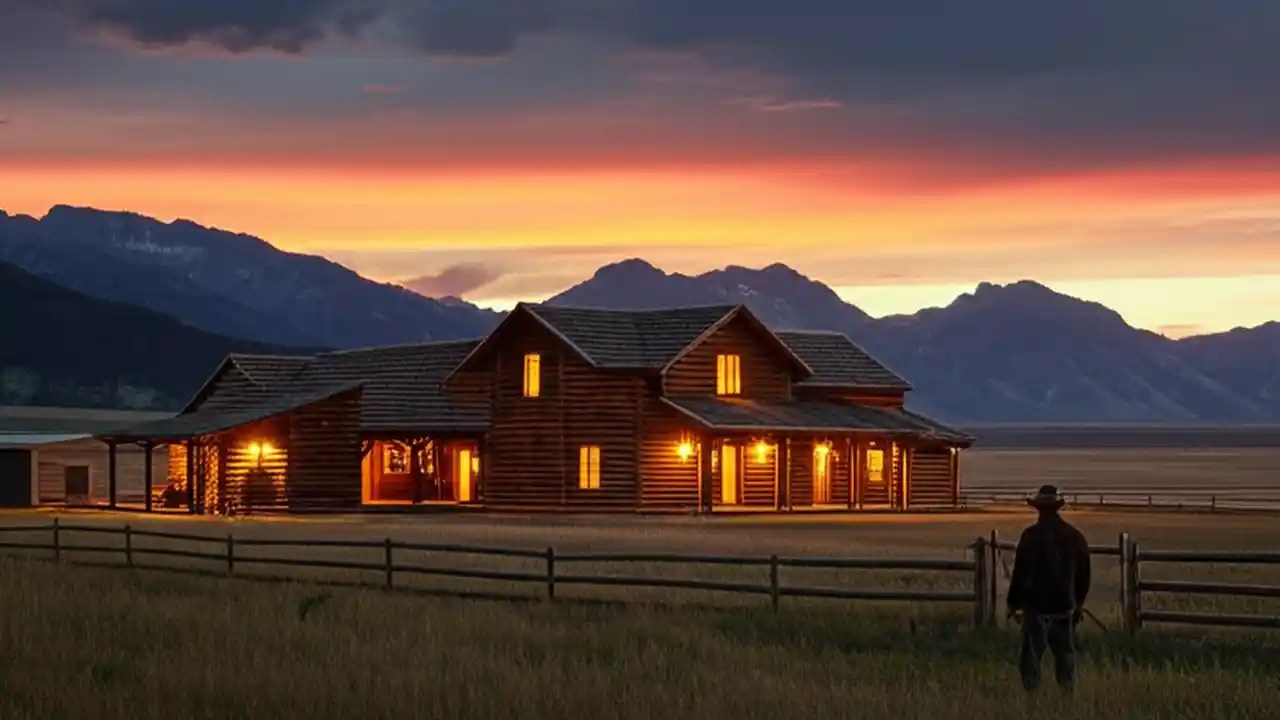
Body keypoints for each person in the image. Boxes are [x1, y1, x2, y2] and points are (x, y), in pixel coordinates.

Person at [1006, 484, 1092, 692]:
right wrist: (1078, 603)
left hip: (1036, 607)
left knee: (1032, 657)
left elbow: (1021, 573)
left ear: (1038, 509)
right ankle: (1067, 694)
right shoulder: (1075, 536)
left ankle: (1032, 698)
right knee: (1065, 656)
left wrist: (1014, 603)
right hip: (1064, 606)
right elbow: (1084, 575)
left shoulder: (1030, 536)